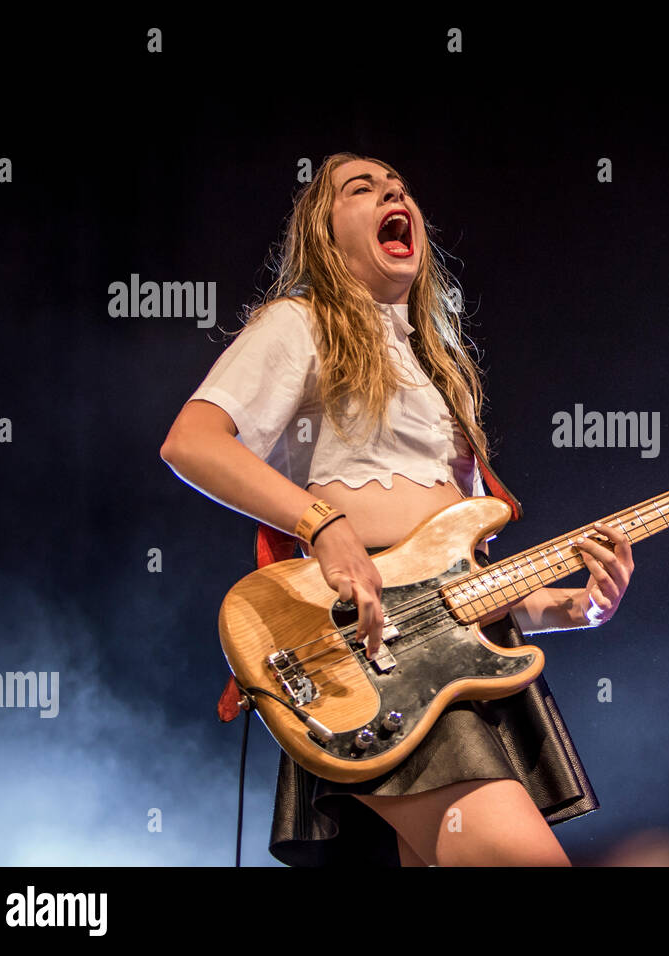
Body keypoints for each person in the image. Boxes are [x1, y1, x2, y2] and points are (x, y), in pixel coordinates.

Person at [160, 151, 634, 866]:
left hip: (448, 666)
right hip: (365, 655)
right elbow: (191, 442)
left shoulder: (442, 375)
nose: (394, 193)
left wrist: (574, 609)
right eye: (364, 188)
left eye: (401, 187)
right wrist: (322, 526)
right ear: (326, 234)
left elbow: (464, 585)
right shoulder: (301, 324)